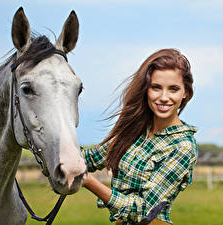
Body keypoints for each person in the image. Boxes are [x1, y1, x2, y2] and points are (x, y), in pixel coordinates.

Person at [81, 49, 198, 225]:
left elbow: (145, 211)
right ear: (146, 90)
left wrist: (87, 181)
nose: (164, 97)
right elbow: (89, 159)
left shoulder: (183, 147)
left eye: (173, 89)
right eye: (156, 87)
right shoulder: (135, 130)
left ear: (185, 93)